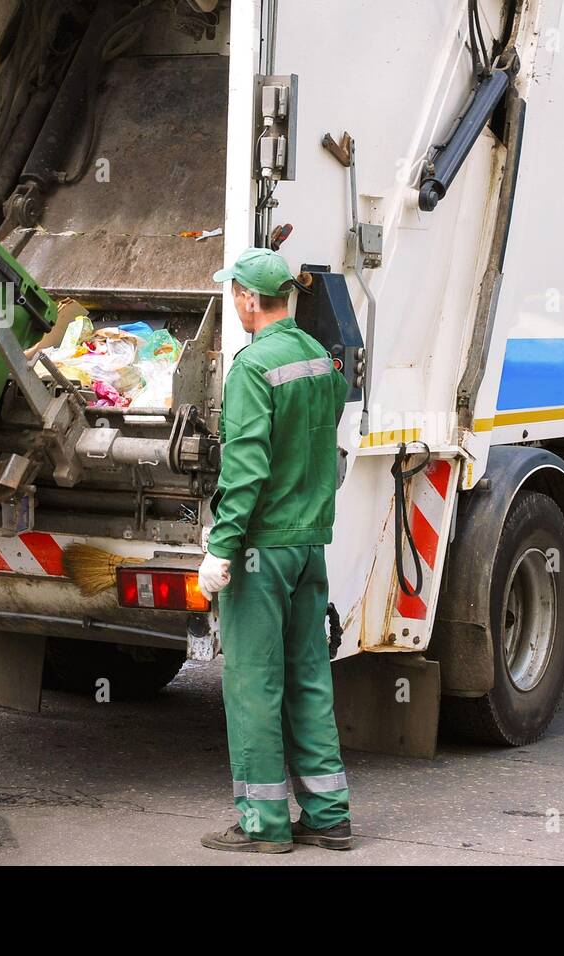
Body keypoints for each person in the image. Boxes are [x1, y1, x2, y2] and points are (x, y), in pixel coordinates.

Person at [197, 248, 353, 854]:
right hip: (309, 545)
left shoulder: (251, 368)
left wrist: (222, 548)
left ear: (246, 298)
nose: (233, 300)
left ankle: (264, 823)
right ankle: (329, 815)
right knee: (309, 675)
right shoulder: (318, 358)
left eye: (233, 291)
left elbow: (245, 469)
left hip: (260, 550)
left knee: (254, 682)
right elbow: (330, 414)